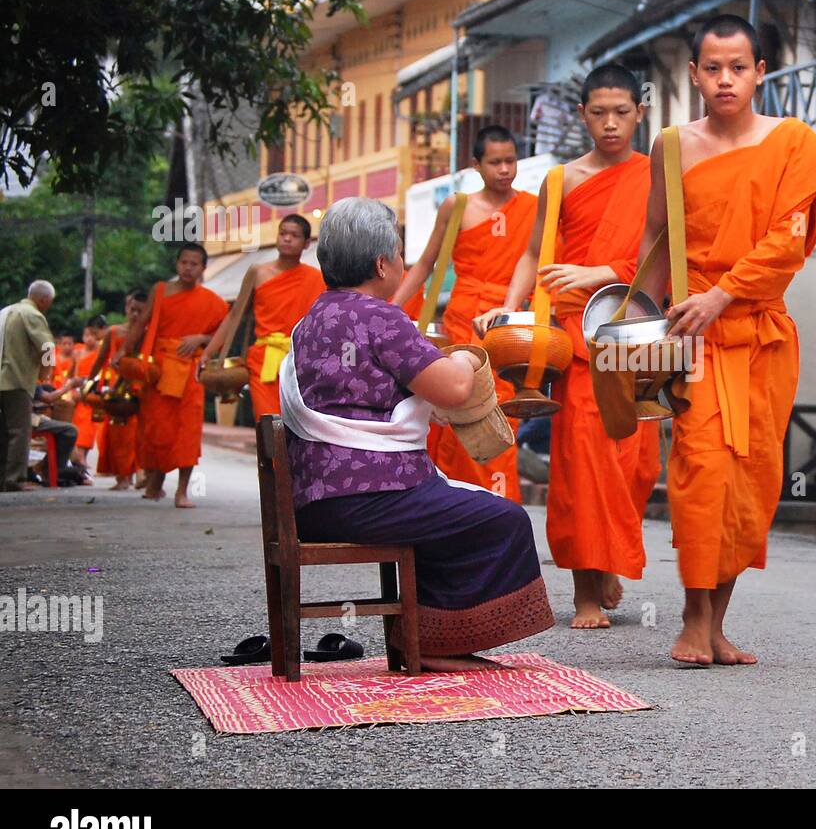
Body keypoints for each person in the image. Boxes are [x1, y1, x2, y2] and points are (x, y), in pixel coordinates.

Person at [634, 15, 816, 664]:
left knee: (753, 480)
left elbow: (786, 245)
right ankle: (692, 619)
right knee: (702, 474)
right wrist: (632, 318)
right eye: (712, 68)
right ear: (694, 74)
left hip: (760, 336)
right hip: (691, 340)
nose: (725, 79)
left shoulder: (791, 142)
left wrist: (722, 295)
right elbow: (653, 239)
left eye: (738, 67)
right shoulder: (670, 145)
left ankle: (718, 621)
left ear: (761, 72)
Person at [283, 197, 554, 670]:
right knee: (504, 519)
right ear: (382, 263)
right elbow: (451, 389)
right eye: (400, 254)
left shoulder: (310, 321)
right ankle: (434, 644)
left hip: (312, 503)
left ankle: (423, 633)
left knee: (451, 507)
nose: (404, 264)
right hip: (369, 501)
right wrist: (469, 357)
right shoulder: (380, 317)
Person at [475, 64, 660, 629]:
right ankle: (584, 591)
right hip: (577, 343)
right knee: (582, 466)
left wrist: (598, 270)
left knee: (637, 465)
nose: (610, 124)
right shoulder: (560, 180)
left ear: (640, 113)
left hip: (634, 333)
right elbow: (533, 254)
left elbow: (666, 252)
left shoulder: (657, 176)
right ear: (582, 114)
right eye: (598, 113)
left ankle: (610, 561)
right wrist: (511, 304)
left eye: (621, 113)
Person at [391, 125, 537, 502]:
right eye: (495, 162)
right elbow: (424, 264)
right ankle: (453, 509)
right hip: (460, 323)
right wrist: (387, 312)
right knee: (449, 416)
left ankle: (498, 511)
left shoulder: (532, 207)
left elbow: (536, 263)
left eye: (510, 161)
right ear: (476, 165)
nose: (504, 170)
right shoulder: (456, 206)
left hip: (506, 329)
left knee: (498, 419)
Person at [118, 243, 228, 507]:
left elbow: (225, 335)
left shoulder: (212, 302)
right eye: (184, 263)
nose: (188, 268)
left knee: (187, 433)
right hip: (159, 371)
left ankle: (182, 491)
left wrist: (201, 337)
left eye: (194, 264)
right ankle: (155, 483)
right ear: (177, 264)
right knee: (158, 429)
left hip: (189, 373)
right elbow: (142, 321)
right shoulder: (160, 291)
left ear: (203, 268)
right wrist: (124, 349)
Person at [203, 214, 325, 419]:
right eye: (283, 233)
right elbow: (235, 315)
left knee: (297, 428)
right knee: (268, 422)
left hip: (300, 361)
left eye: (294, 235)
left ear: (306, 244)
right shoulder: (257, 272)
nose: (287, 238)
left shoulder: (316, 278)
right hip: (263, 360)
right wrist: (209, 352)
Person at [0, 281, 58, 491]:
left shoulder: (6, 312)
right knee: (19, 432)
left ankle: (2, 480)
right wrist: (46, 372)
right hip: (17, 381)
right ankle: (14, 480)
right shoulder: (32, 314)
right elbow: (48, 346)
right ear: (43, 300)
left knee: (3, 432)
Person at [88, 293, 146, 490]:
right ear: (126, 308)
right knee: (118, 434)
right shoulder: (114, 332)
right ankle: (123, 477)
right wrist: (89, 382)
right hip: (117, 390)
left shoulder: (148, 333)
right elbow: (100, 359)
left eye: (140, 311)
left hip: (140, 386)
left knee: (139, 433)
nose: (136, 315)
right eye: (132, 310)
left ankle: (141, 473)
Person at [70, 317, 109, 470]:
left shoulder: (101, 350)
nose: (90, 339)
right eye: (86, 335)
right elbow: (73, 374)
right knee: (80, 424)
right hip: (81, 391)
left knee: (90, 427)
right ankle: (79, 457)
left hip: (94, 390)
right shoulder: (78, 354)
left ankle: (83, 457)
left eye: (93, 335)